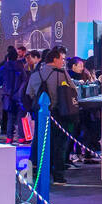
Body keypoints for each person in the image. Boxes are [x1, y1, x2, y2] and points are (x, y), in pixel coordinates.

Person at [24, 46, 76, 184]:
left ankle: (39, 172)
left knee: (41, 142)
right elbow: (73, 90)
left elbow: (29, 93)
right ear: (55, 59)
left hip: (41, 115)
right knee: (59, 145)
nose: (63, 62)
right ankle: (58, 175)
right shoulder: (61, 74)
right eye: (62, 59)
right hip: (59, 113)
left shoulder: (36, 75)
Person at [0, 45, 27, 142]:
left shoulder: (3, 67)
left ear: (8, 57)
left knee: (10, 117)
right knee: (20, 117)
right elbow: (25, 80)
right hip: (19, 95)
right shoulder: (20, 67)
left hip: (7, 96)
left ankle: (9, 138)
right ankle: (21, 137)